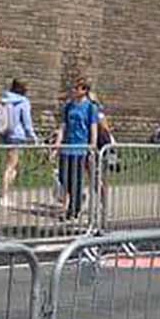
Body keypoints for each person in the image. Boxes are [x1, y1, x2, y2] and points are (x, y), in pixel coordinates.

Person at [50, 78, 99, 221]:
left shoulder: (91, 107)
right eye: (74, 88)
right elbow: (63, 126)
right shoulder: (69, 106)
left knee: (76, 179)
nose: (74, 91)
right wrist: (57, 145)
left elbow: (93, 127)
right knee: (63, 177)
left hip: (80, 147)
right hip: (67, 146)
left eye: (77, 88)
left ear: (84, 90)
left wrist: (92, 146)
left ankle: (73, 209)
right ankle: (75, 200)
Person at [0, 79, 37, 207]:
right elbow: (27, 122)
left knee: (13, 166)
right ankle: (3, 195)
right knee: (11, 167)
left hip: (7, 133)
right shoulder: (23, 102)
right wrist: (33, 136)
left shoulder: (5, 99)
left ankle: (4, 193)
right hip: (18, 135)